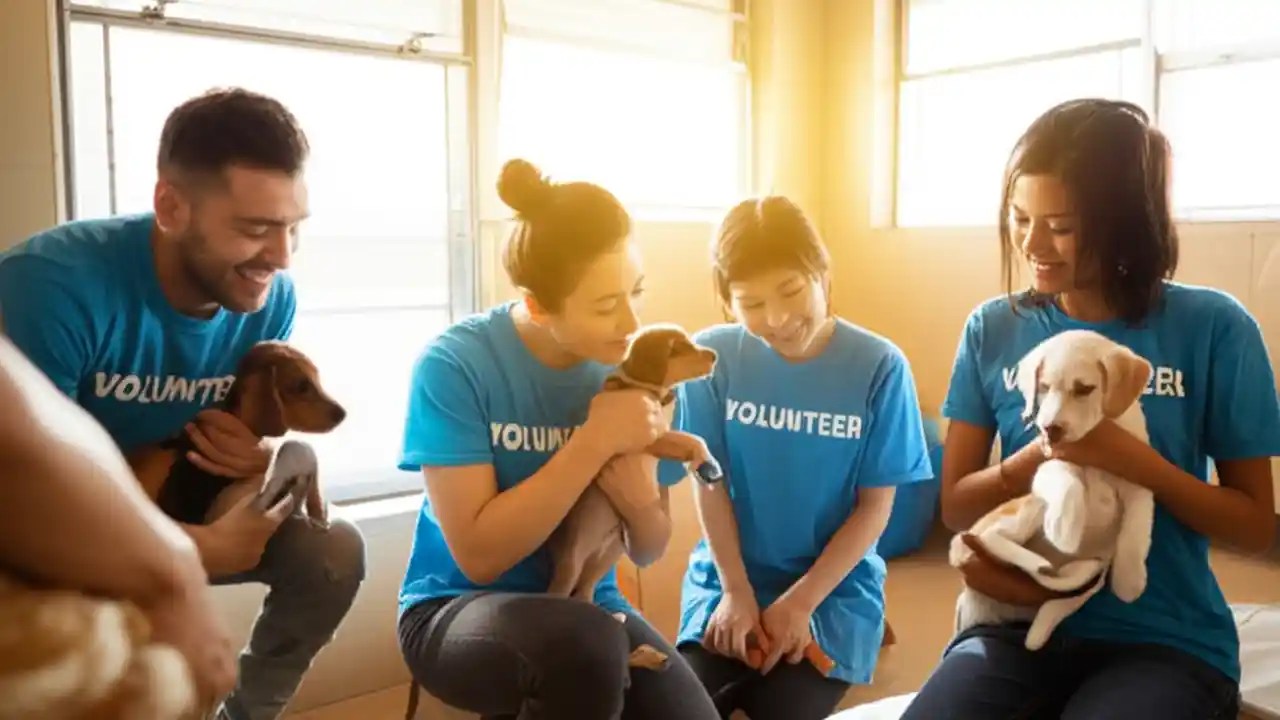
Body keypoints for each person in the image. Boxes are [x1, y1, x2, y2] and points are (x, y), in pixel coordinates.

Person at [902, 98, 1280, 720]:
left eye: (1062, 225)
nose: (1032, 243)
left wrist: (1132, 460)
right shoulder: (993, 330)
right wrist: (1041, 453)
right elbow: (956, 505)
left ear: (1125, 223)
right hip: (1013, 624)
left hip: (1165, 640)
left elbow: (1255, 526)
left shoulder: (1213, 328)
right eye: (1020, 217)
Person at [0, 87, 367, 720]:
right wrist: (188, 554)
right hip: (36, 534)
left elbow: (248, 425)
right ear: (170, 207)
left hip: (169, 504)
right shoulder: (49, 288)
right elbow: (20, 493)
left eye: (291, 229)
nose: (279, 258)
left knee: (330, 547)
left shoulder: (265, 296)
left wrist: (270, 454)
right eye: (255, 229)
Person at [396, 158, 720, 720]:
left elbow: (647, 547)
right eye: (604, 305)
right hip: (457, 607)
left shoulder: (642, 371)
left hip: (591, 607)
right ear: (538, 305)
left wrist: (639, 501)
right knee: (582, 650)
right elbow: (480, 558)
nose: (629, 322)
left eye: (635, 293)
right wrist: (593, 442)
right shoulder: (456, 364)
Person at [670, 196, 934, 720]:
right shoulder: (711, 360)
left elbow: (874, 509)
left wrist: (800, 604)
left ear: (821, 271)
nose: (778, 319)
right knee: (683, 707)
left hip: (831, 591)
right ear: (727, 301)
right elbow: (709, 483)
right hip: (729, 578)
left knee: (780, 707)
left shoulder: (879, 365)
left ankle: (866, 631)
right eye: (750, 303)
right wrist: (735, 591)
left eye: (791, 290)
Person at [0, 334, 236, 712]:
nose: (280, 270)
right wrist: (178, 574)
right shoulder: (55, 289)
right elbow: (16, 440)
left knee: (330, 548)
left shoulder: (269, 308)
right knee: (152, 664)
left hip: (149, 519)